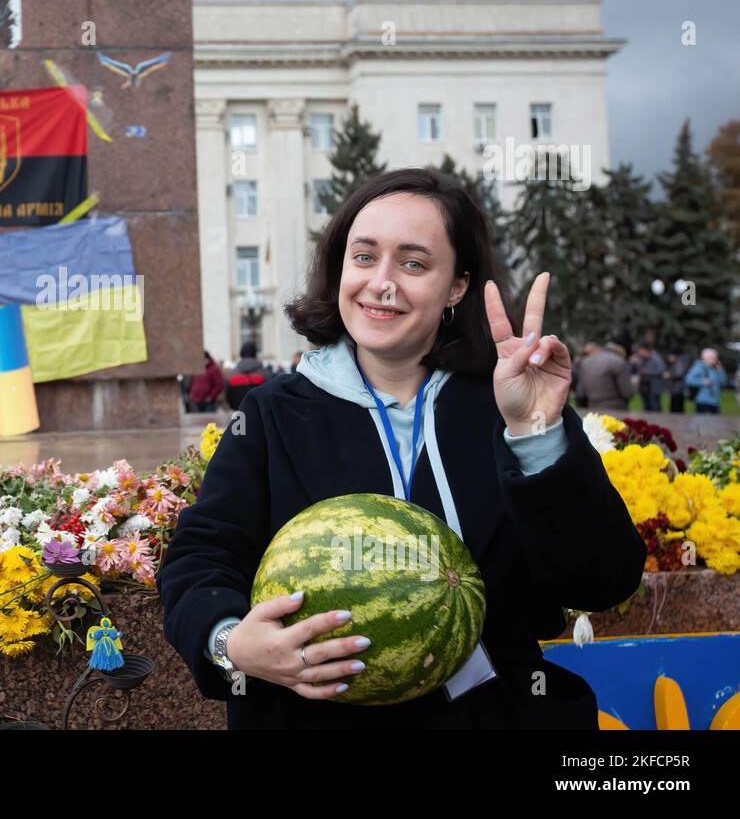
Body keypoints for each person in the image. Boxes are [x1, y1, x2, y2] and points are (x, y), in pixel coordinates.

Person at [157, 168, 645, 730]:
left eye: (414, 263)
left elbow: (602, 580)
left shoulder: (509, 401)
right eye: (364, 257)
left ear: (457, 285)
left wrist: (534, 432)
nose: (382, 283)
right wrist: (229, 643)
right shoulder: (274, 413)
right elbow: (200, 558)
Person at [572, 341, 635, 411]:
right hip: (616, 406)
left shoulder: (585, 362)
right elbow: (627, 391)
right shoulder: (617, 360)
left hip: (592, 405)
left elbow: (581, 392)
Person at [684, 348, 728, 415]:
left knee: (716, 422)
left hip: (715, 401)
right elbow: (688, 379)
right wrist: (703, 381)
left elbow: (723, 381)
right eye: (713, 357)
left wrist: (720, 370)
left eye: (715, 357)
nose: (715, 359)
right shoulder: (699, 367)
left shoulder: (716, 368)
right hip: (702, 400)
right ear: (707, 358)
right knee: (703, 422)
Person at [629, 343, 667, 413]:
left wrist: (647, 371)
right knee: (646, 406)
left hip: (654, 386)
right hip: (644, 386)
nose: (639, 353)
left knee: (655, 406)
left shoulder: (656, 358)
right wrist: (632, 363)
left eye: (640, 351)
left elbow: (661, 370)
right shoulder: (641, 358)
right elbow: (633, 371)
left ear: (646, 350)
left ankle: (658, 421)